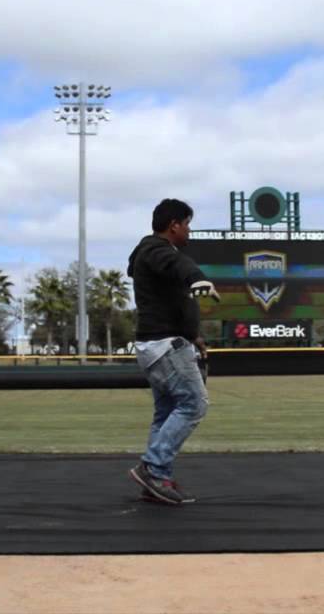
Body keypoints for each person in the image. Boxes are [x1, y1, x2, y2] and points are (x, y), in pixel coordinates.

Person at [126, 198, 219, 504]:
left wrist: (194, 335)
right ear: (174, 225)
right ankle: (153, 468)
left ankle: (157, 478)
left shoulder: (152, 254)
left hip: (162, 343)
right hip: (165, 346)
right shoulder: (156, 250)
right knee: (194, 404)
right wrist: (198, 278)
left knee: (166, 412)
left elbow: (173, 300)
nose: (189, 230)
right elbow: (180, 266)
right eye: (187, 224)